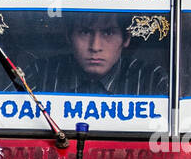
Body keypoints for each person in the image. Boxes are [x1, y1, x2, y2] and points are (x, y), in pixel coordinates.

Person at [27, 12, 169, 96]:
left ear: (126, 38)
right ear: (68, 36)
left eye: (108, 32)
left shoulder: (151, 80)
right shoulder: (40, 74)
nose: (95, 47)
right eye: (85, 32)